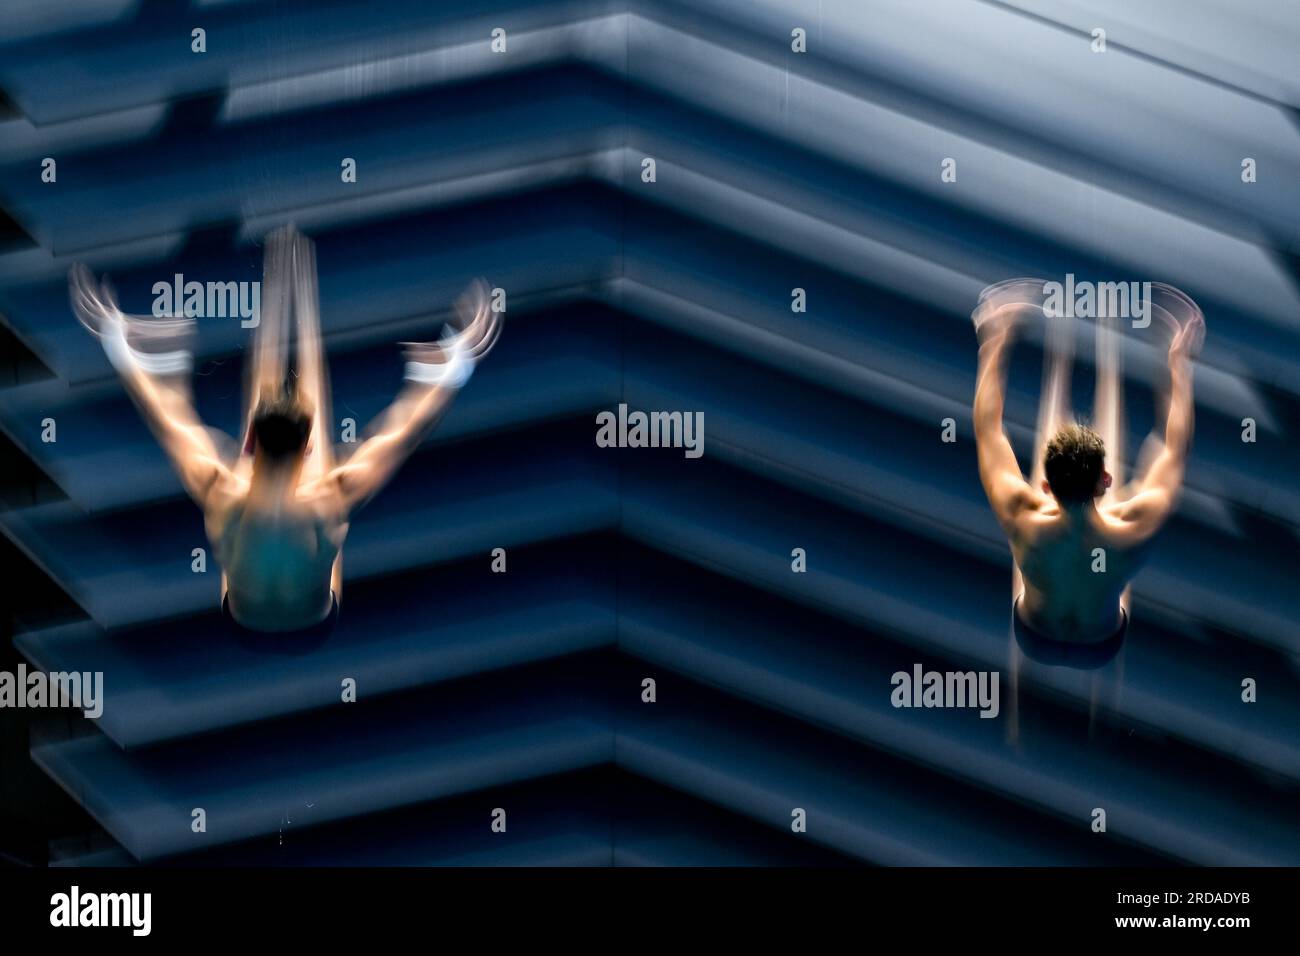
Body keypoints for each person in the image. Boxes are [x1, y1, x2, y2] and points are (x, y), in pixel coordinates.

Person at [70, 226, 500, 633]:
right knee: (320, 481)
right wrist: (457, 360)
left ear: (253, 441)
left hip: (243, 621)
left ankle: (272, 305)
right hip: (314, 622)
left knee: (217, 453)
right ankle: (300, 304)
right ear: (307, 442)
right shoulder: (328, 499)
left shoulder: (222, 494)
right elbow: (406, 428)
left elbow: (165, 416)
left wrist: (116, 339)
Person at [971, 279, 1204, 652]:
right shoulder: (1134, 529)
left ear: (1046, 485)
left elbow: (989, 432)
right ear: (1106, 480)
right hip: (1103, 641)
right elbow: (1176, 448)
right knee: (1152, 464)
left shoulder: (1022, 516)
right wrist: (1179, 363)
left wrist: (994, 340)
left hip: (1034, 634)